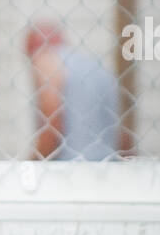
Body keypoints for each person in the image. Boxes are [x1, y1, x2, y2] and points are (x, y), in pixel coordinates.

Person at [24, 19, 120, 161]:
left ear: (33, 47)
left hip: (70, 166)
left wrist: (30, 165)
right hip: (108, 162)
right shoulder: (98, 68)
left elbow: (52, 125)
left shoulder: (47, 60)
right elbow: (121, 130)